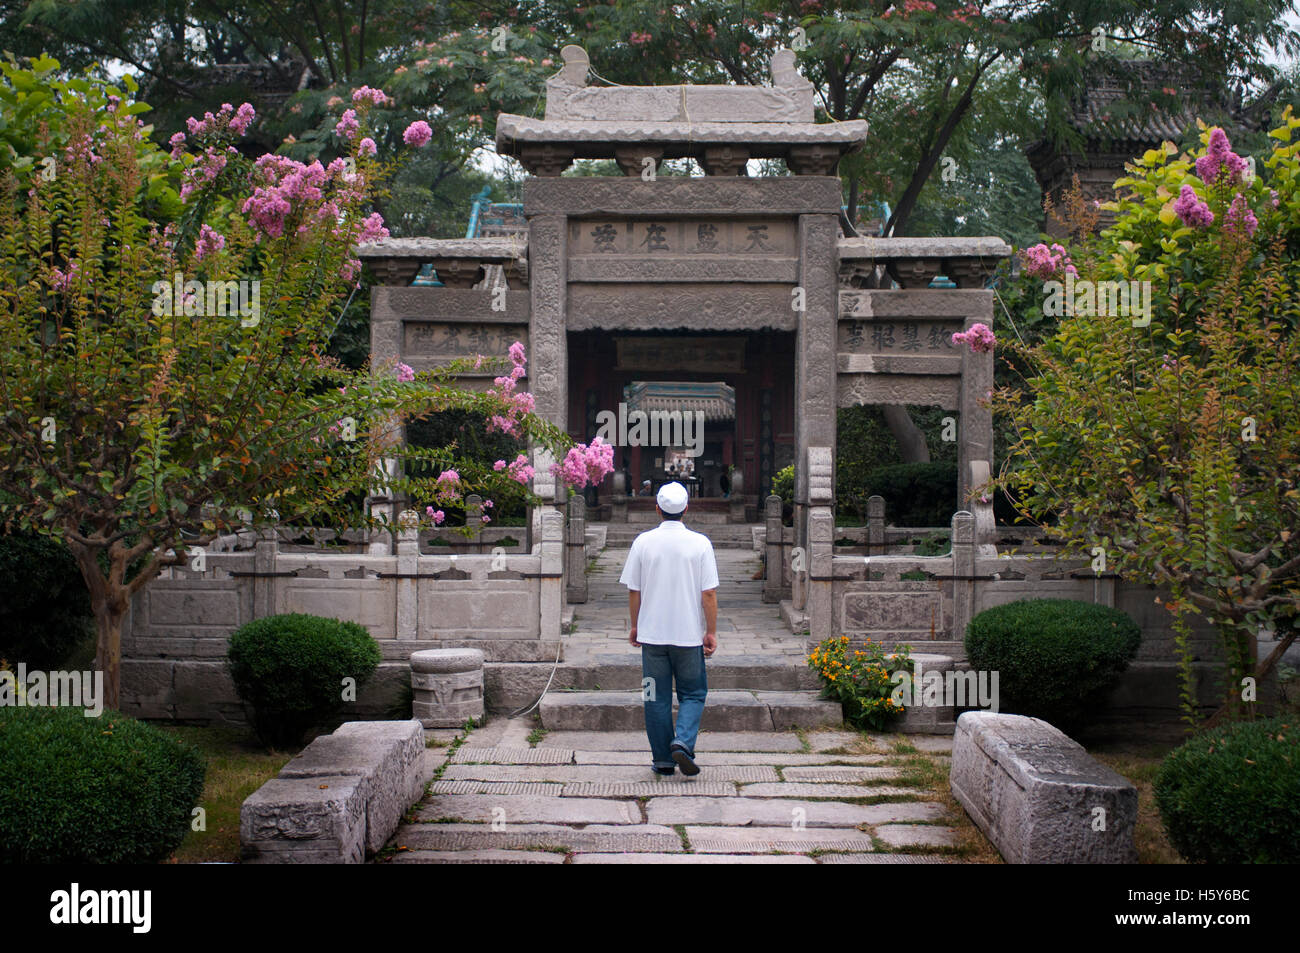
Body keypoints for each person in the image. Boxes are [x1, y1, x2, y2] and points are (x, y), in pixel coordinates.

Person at [619, 481, 719, 777]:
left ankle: (663, 759)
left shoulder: (643, 542)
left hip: (652, 639)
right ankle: (683, 741)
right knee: (694, 693)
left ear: (657, 509)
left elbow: (634, 590)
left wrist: (636, 625)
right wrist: (710, 631)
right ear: (686, 509)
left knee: (654, 696)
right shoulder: (700, 543)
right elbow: (708, 593)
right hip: (688, 637)